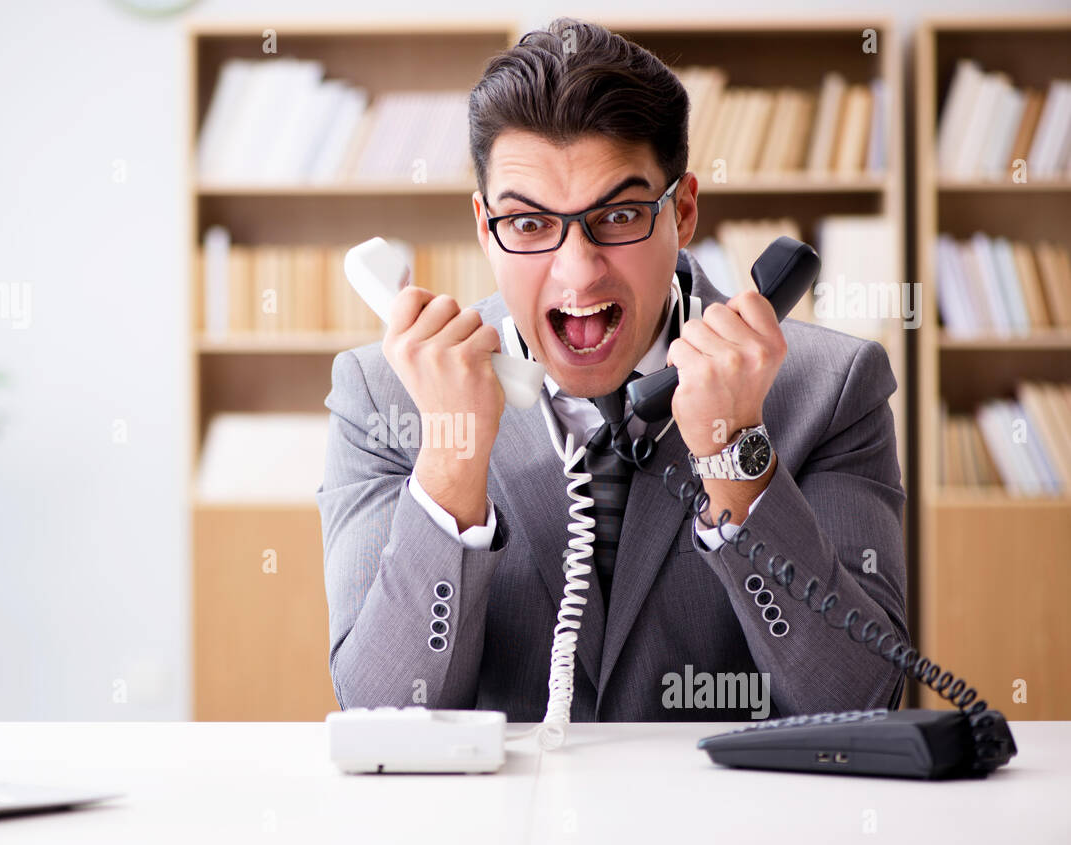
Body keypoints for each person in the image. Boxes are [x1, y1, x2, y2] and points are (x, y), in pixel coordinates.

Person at [316, 17, 907, 722]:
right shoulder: (380, 397)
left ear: (682, 212)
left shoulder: (834, 388)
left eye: (621, 214)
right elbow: (381, 712)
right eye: (530, 224)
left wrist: (736, 457)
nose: (578, 271)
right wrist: (450, 458)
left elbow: (859, 702)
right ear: (486, 228)